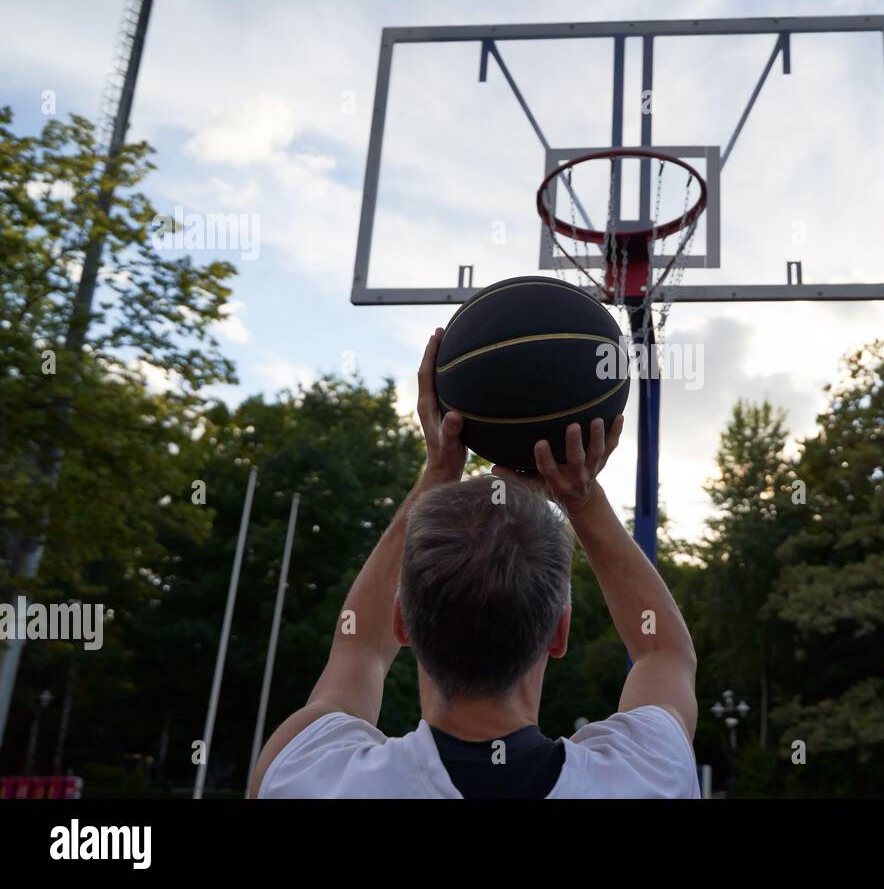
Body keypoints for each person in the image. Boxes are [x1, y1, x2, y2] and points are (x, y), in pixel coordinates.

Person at [250, 330, 699, 798]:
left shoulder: (305, 775)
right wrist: (582, 497)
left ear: (403, 622)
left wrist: (438, 472)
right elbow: (665, 654)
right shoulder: (647, 779)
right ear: (559, 631)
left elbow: (357, 647)